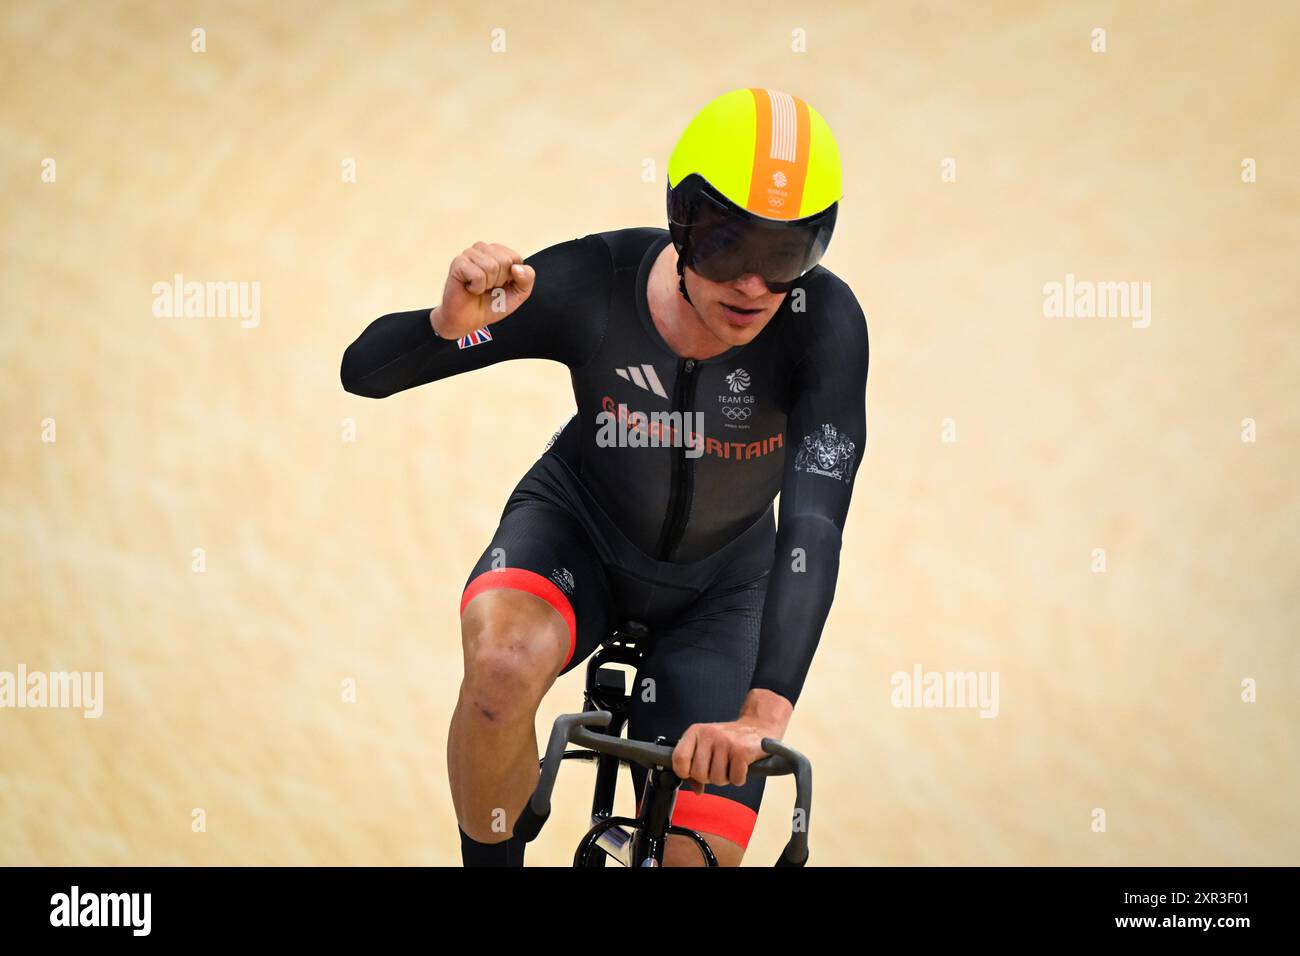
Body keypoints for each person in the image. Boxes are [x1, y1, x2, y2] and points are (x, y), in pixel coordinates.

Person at [341, 87, 868, 867]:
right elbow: (365, 374)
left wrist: (761, 714)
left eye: (786, 254)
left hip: (726, 591)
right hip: (578, 531)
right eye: (728, 247)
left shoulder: (822, 325)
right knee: (500, 667)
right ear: (681, 223)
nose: (754, 285)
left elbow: (815, 526)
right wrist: (442, 329)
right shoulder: (593, 280)